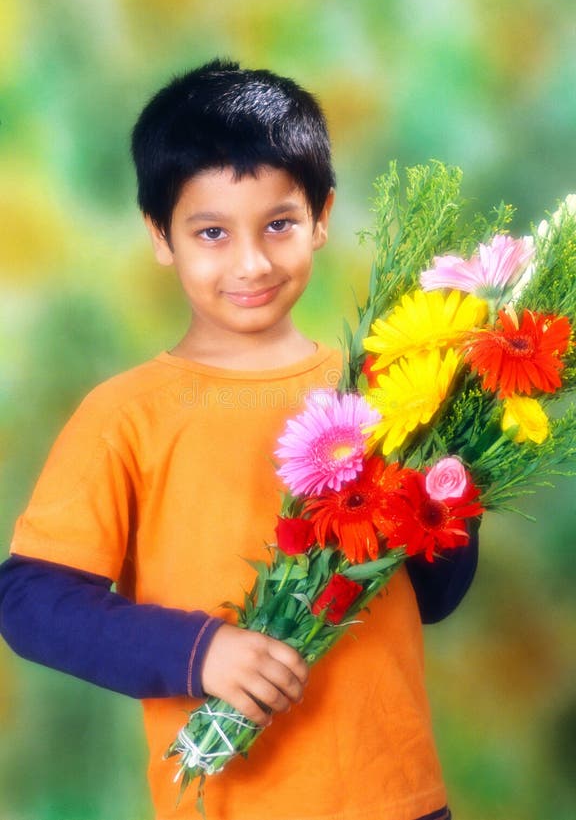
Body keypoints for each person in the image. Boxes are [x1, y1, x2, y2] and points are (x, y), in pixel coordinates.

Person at [0, 60, 478, 820]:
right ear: (161, 235)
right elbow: (30, 602)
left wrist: (458, 477)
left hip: (400, 796)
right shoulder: (127, 413)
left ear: (322, 215)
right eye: (213, 232)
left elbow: (433, 596)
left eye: (278, 224)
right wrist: (201, 652)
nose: (251, 262)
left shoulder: (379, 392)